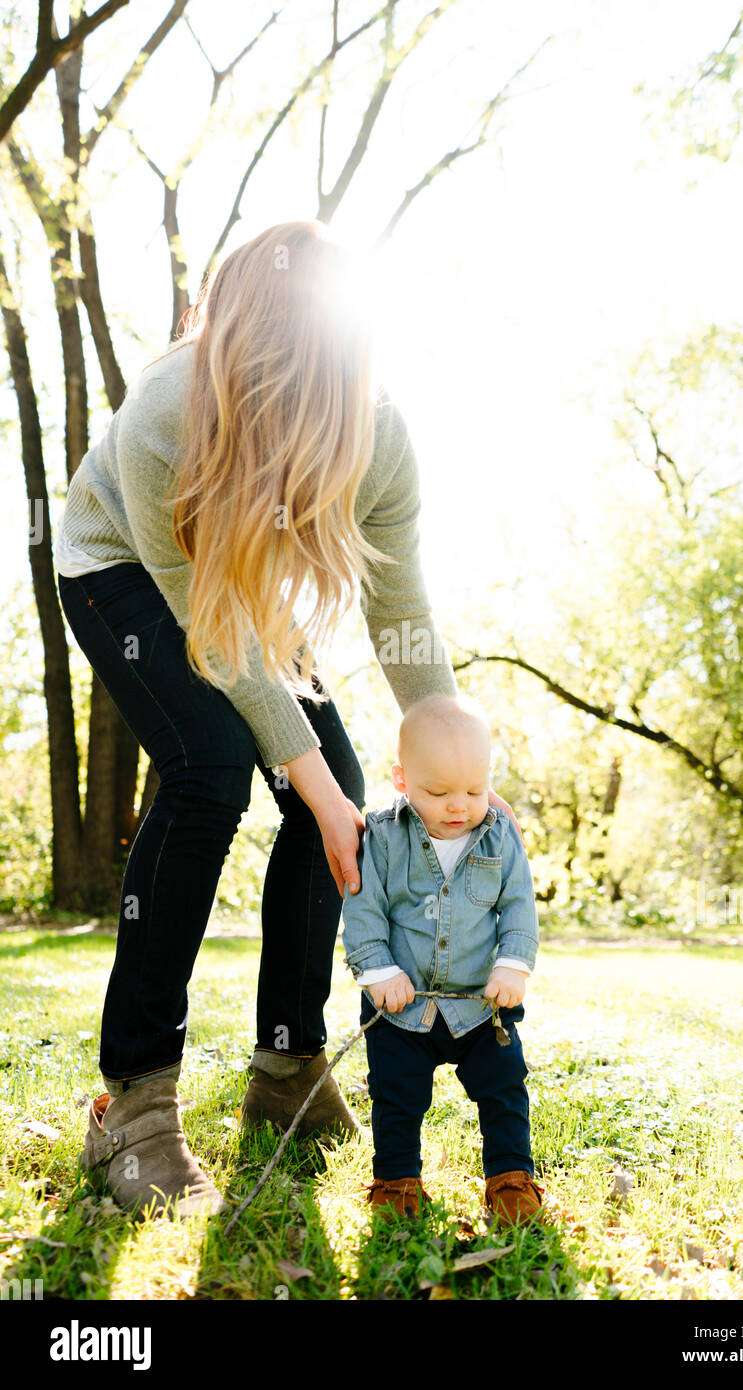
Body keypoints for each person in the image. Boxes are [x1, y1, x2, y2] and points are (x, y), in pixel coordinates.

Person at [55, 220, 517, 1218]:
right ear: (225, 347)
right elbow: (204, 627)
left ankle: (288, 1071)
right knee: (210, 766)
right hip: (123, 573)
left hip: (244, 598)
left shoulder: (381, 435)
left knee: (338, 795)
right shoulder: (167, 412)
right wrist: (304, 776)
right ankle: (132, 1106)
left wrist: (456, 766)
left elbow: (402, 615)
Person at [341, 693, 545, 1224]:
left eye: (476, 790)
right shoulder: (383, 836)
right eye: (439, 791)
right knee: (396, 1096)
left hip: (481, 1008)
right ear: (402, 779)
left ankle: (510, 1180)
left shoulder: (499, 835)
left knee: (503, 1089)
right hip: (402, 1008)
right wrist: (379, 970)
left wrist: (513, 964)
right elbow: (364, 908)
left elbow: (519, 904)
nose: (460, 805)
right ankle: (397, 1184)